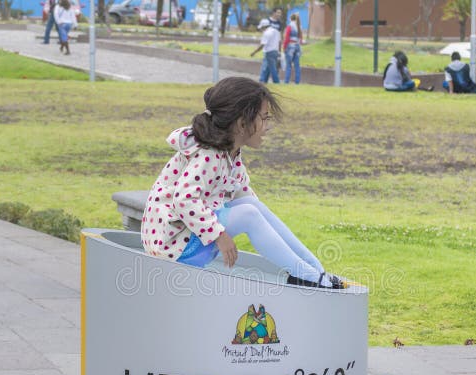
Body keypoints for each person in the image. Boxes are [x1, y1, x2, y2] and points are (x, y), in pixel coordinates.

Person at [141, 77, 346, 289]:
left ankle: (313, 270)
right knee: (249, 214)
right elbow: (184, 199)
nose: (268, 127)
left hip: (187, 236)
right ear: (241, 124)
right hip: (173, 245)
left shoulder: (230, 153)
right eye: (264, 118)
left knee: (252, 206)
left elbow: (245, 195)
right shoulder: (209, 155)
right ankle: (307, 275)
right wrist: (218, 235)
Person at [250, 19, 280, 84]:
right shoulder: (276, 31)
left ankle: (276, 82)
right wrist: (279, 51)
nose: (261, 29)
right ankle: (263, 81)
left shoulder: (266, 33)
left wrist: (254, 52)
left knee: (271, 68)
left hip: (269, 52)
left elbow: (262, 45)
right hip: (275, 51)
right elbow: (280, 41)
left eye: (261, 28)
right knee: (267, 67)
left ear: (264, 26)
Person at [282, 12, 302, 84]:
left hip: (290, 46)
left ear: (290, 19)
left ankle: (286, 81)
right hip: (297, 46)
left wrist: (284, 47)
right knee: (297, 66)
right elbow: (301, 39)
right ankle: (297, 82)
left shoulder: (290, 26)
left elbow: (287, 38)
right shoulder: (299, 26)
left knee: (288, 65)